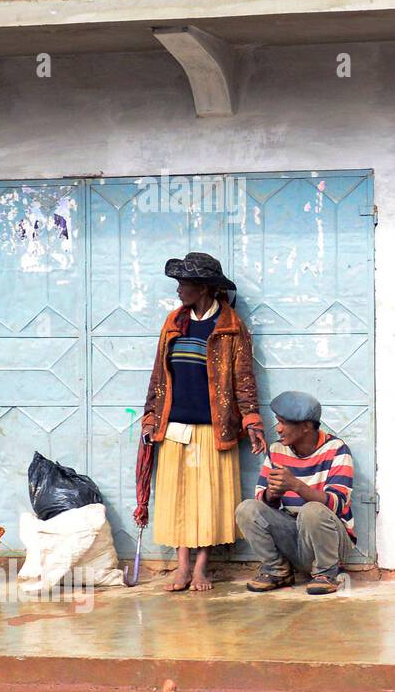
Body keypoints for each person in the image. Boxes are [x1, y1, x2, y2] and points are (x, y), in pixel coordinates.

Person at [140, 252, 266, 592]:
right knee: (178, 497)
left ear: (205, 288)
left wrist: (252, 420)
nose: (179, 289)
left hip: (214, 428)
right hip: (175, 426)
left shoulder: (229, 326)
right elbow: (158, 375)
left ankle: (201, 569)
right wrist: (151, 416)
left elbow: (243, 377)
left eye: (186, 283)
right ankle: (181, 568)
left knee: (208, 498)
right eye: (179, 283)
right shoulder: (173, 323)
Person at [236, 391, 356, 596]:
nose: (278, 429)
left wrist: (296, 486)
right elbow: (260, 500)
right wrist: (272, 494)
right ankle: (277, 570)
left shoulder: (337, 449)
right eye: (278, 422)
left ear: (306, 427)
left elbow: (337, 504)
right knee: (247, 508)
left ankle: (327, 573)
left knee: (312, 510)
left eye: (283, 423)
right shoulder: (276, 450)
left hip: (330, 543)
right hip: (294, 539)